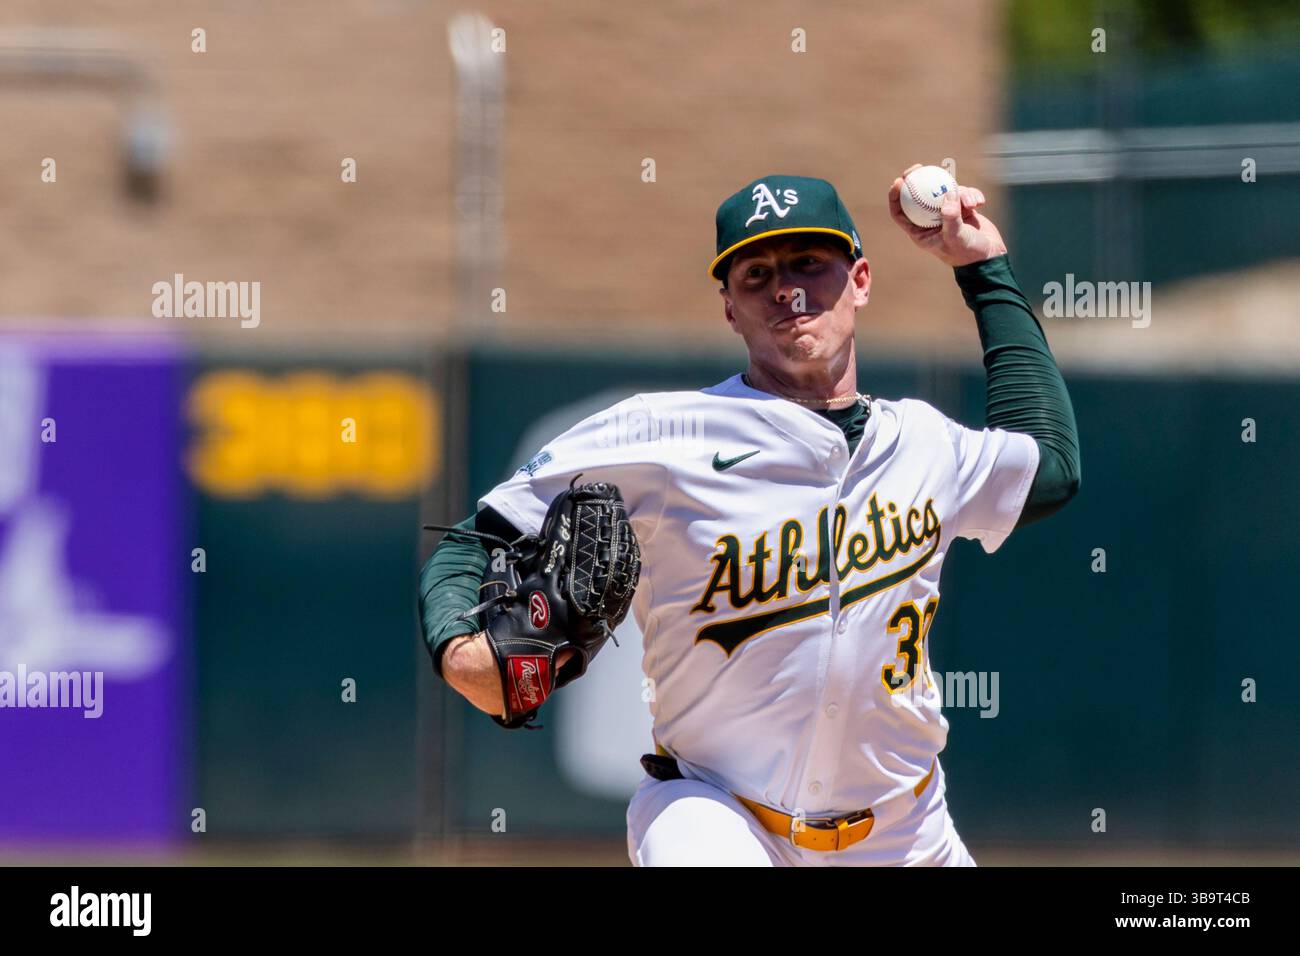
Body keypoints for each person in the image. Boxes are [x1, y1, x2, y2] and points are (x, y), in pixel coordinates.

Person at [419, 169, 1080, 865]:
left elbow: (1051, 469)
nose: (787, 288)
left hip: (906, 831)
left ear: (860, 279)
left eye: (808, 263)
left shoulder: (923, 443)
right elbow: (474, 541)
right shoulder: (657, 433)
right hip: (712, 810)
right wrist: (460, 650)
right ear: (729, 308)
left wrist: (983, 269)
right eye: (756, 273)